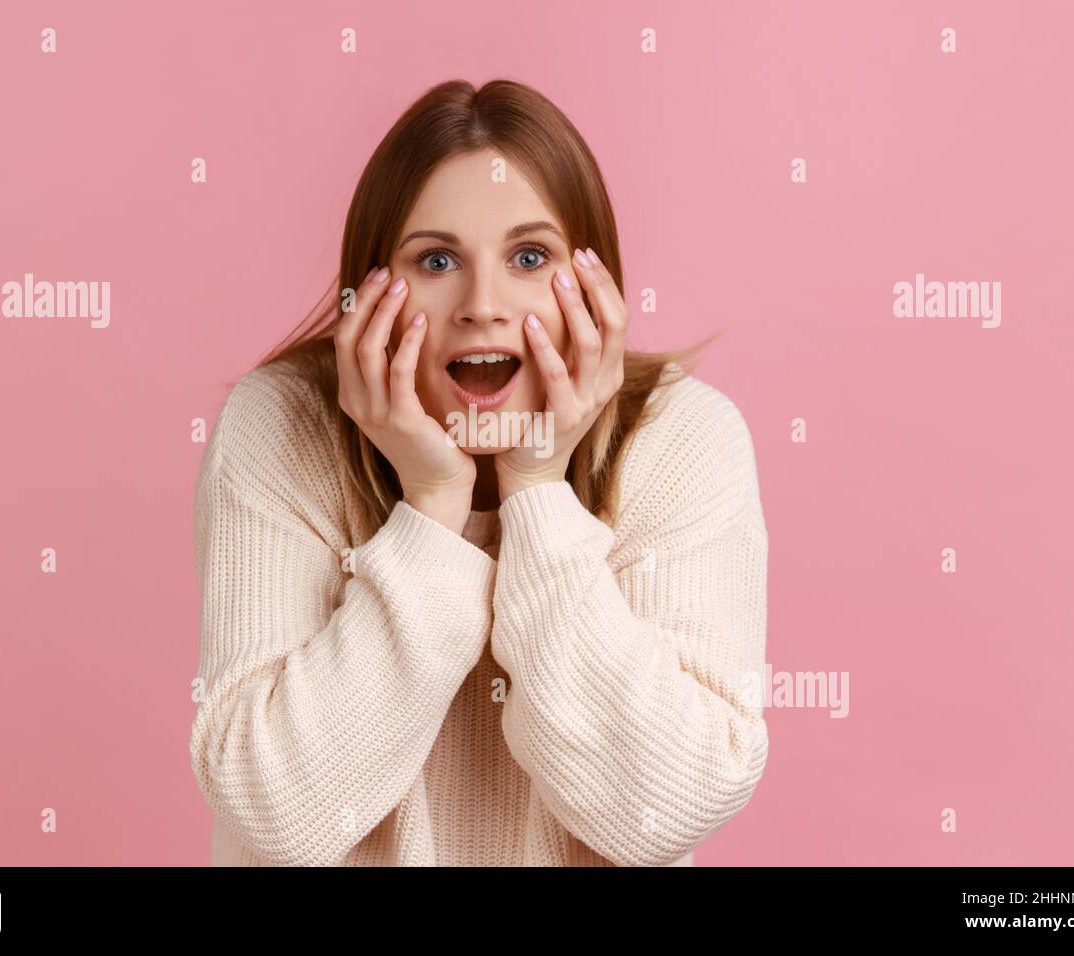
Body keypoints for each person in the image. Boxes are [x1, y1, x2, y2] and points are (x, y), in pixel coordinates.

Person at [188, 78, 770, 866]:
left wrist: (537, 488)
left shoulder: (684, 441)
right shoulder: (281, 428)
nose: (483, 304)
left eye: (530, 257)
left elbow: (664, 808)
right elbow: (277, 811)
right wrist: (432, 508)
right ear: (369, 298)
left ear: (595, 288)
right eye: (436, 260)